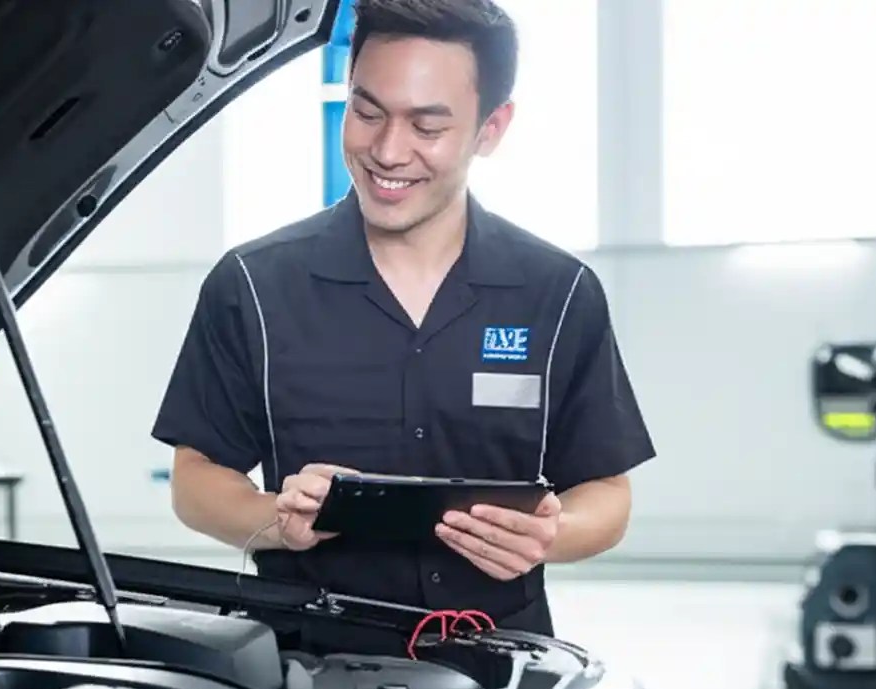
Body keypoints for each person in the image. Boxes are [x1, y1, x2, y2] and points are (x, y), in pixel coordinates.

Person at [152, 0, 655, 654]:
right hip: (308, 666)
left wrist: (551, 535)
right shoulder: (252, 285)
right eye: (366, 111)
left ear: (491, 128)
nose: (387, 151)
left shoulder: (557, 293)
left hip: (500, 661)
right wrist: (272, 519)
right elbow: (195, 477)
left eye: (428, 125)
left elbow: (607, 492)